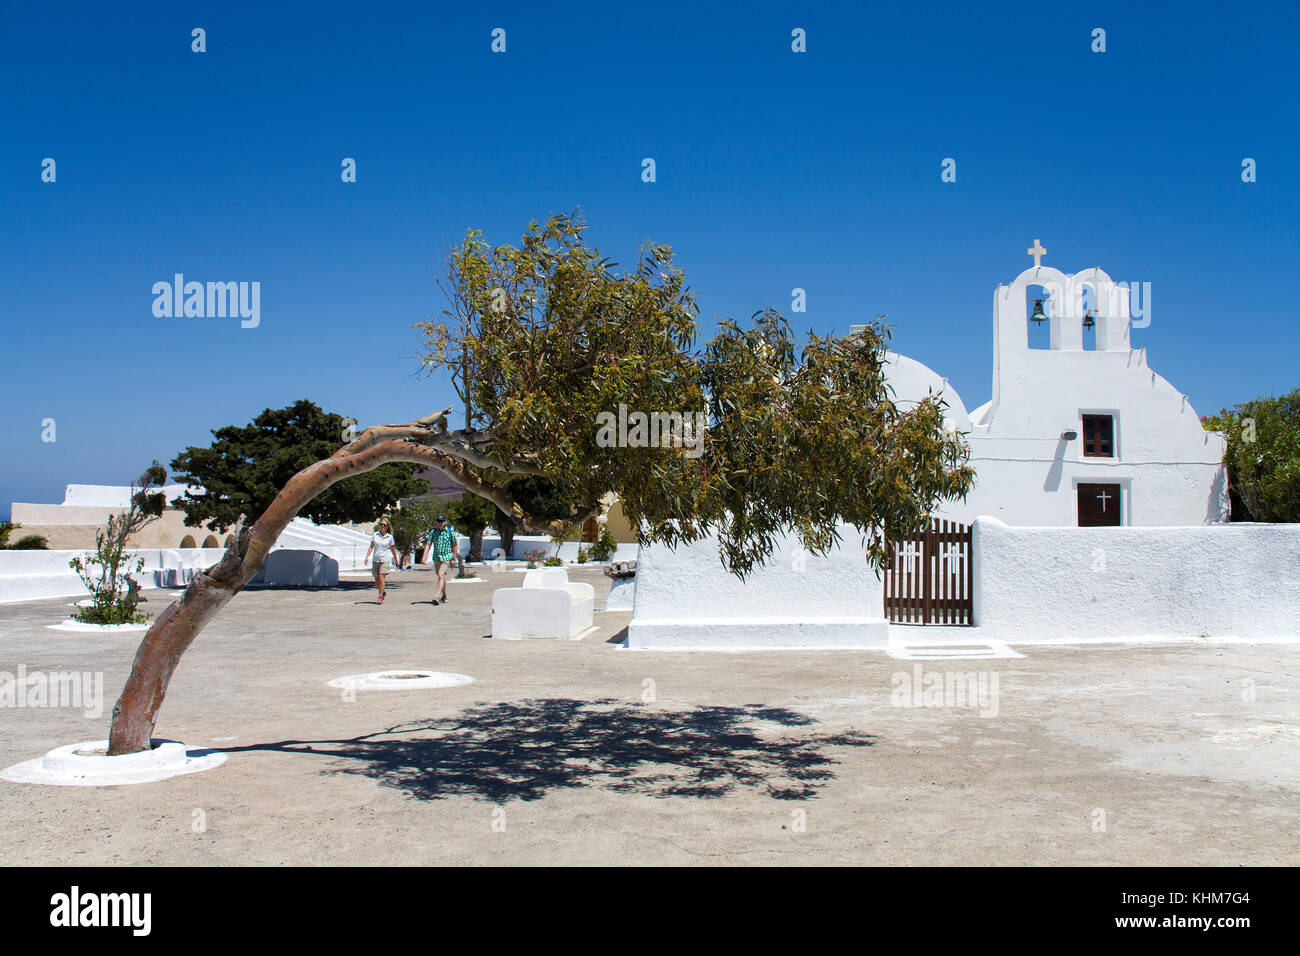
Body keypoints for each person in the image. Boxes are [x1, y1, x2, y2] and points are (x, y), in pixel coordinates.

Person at [364, 518, 397, 604]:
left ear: (387, 527)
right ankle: (383, 591)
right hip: (376, 559)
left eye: (384, 525)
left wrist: (396, 560)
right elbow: (371, 546)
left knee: (381, 577)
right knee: (376, 580)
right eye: (381, 524)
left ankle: (380, 596)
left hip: (385, 559)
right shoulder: (375, 535)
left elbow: (393, 549)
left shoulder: (390, 537)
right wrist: (367, 557)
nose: (382, 526)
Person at [427, 514, 458, 605]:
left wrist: (453, 558)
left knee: (441, 575)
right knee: (441, 577)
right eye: (438, 521)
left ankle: (437, 596)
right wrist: (424, 556)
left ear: (445, 522)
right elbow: (428, 543)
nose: (440, 523)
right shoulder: (433, 532)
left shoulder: (450, 532)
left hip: (447, 557)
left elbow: (455, 545)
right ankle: (444, 596)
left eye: (441, 521)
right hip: (437, 557)